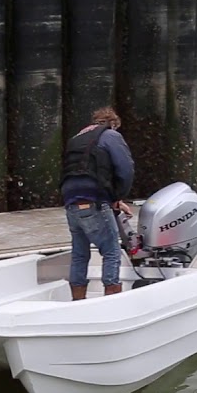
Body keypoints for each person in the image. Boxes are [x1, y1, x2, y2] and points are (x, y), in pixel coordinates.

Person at [59, 107, 135, 300]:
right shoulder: (111, 136)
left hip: (70, 200)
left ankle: (77, 301)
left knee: (79, 253)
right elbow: (126, 170)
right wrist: (119, 196)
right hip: (94, 200)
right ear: (114, 124)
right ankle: (110, 300)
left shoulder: (77, 138)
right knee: (111, 251)